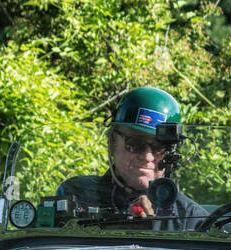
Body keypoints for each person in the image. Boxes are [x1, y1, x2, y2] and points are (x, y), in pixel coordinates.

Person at [57, 86, 207, 231]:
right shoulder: (75, 194)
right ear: (112, 142)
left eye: (159, 146)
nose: (148, 156)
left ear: (170, 152)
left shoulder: (190, 218)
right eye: (136, 143)